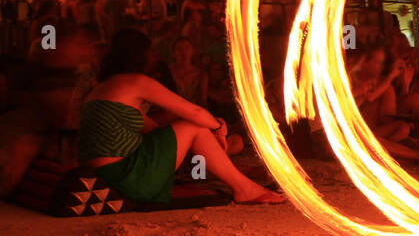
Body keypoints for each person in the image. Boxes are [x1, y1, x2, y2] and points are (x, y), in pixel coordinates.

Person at [77, 28, 282, 205]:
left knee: (192, 128)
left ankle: (239, 181)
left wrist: (200, 140)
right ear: (141, 55)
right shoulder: (136, 82)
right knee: (195, 125)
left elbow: (154, 130)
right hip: (124, 177)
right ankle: (245, 189)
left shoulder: (103, 88)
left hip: (103, 178)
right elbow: (195, 112)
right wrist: (218, 127)